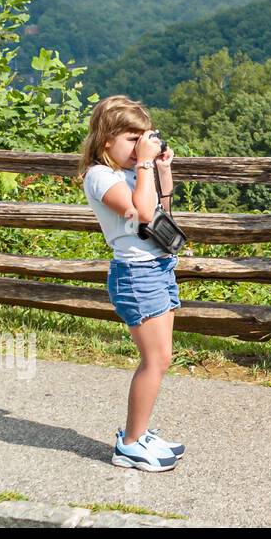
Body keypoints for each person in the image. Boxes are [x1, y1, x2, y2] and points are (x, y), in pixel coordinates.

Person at [78, 95, 186, 472]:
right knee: (154, 360)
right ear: (106, 139)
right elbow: (138, 212)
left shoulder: (132, 172)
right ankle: (129, 444)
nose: (140, 145)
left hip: (158, 268)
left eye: (144, 137)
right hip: (135, 276)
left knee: (161, 358)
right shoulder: (100, 176)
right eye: (131, 138)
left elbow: (160, 216)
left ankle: (138, 433)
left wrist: (162, 171)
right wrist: (144, 164)